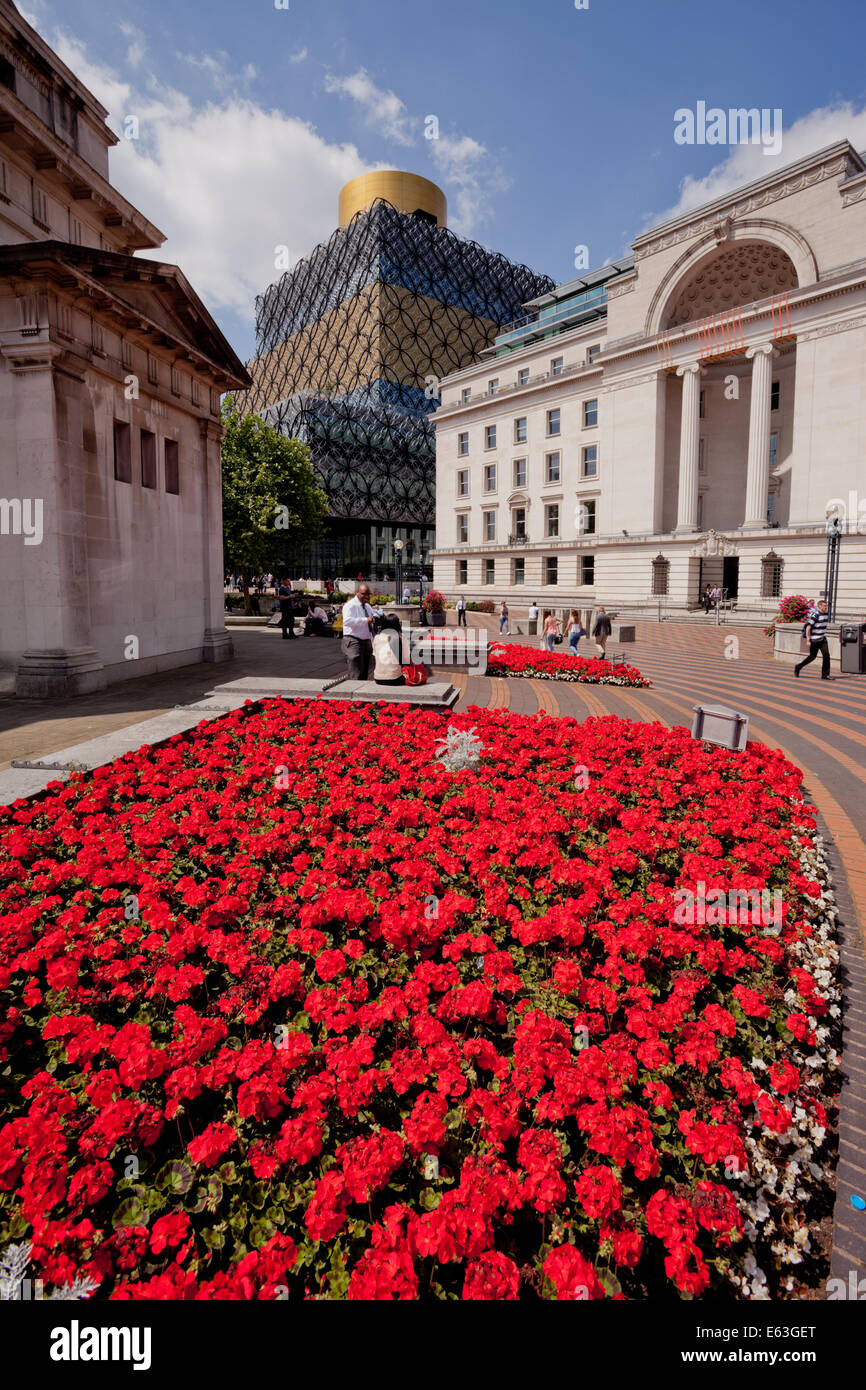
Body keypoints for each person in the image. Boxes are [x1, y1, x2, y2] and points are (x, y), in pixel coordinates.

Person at [342, 583, 375, 679]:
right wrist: (366, 620)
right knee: (355, 672)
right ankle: (352, 692)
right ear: (357, 593)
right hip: (353, 641)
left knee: (364, 672)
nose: (367, 597)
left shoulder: (368, 606)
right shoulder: (350, 605)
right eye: (364, 594)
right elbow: (347, 621)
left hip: (366, 641)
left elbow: (371, 621)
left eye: (368, 594)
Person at [795, 599, 831, 680]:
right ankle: (798, 667)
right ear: (819, 606)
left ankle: (825, 675)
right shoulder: (815, 615)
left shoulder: (826, 614)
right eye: (824, 606)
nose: (826, 607)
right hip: (814, 639)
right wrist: (808, 640)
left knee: (826, 656)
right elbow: (808, 628)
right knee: (812, 657)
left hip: (822, 639)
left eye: (826, 606)